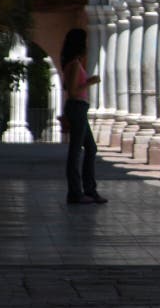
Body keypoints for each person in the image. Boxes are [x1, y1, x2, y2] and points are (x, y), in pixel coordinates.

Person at [60, 28, 107, 204]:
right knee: (75, 151)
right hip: (77, 107)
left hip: (79, 108)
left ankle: (88, 190)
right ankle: (76, 192)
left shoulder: (75, 63)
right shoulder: (73, 64)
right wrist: (90, 82)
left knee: (90, 148)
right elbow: (72, 91)